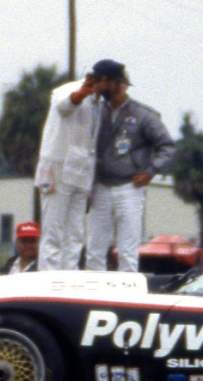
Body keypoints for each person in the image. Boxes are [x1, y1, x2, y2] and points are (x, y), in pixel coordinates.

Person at [85, 59, 176, 273]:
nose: (117, 86)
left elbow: (167, 146)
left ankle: (125, 296)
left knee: (127, 250)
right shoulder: (95, 110)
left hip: (129, 187)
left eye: (118, 82)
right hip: (101, 186)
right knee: (94, 249)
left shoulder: (143, 114)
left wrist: (151, 171)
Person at [35, 71, 101, 270]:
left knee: (75, 235)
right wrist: (80, 94)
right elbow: (64, 107)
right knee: (53, 232)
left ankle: (68, 277)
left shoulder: (101, 104)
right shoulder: (66, 91)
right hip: (57, 170)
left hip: (81, 173)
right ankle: (48, 281)